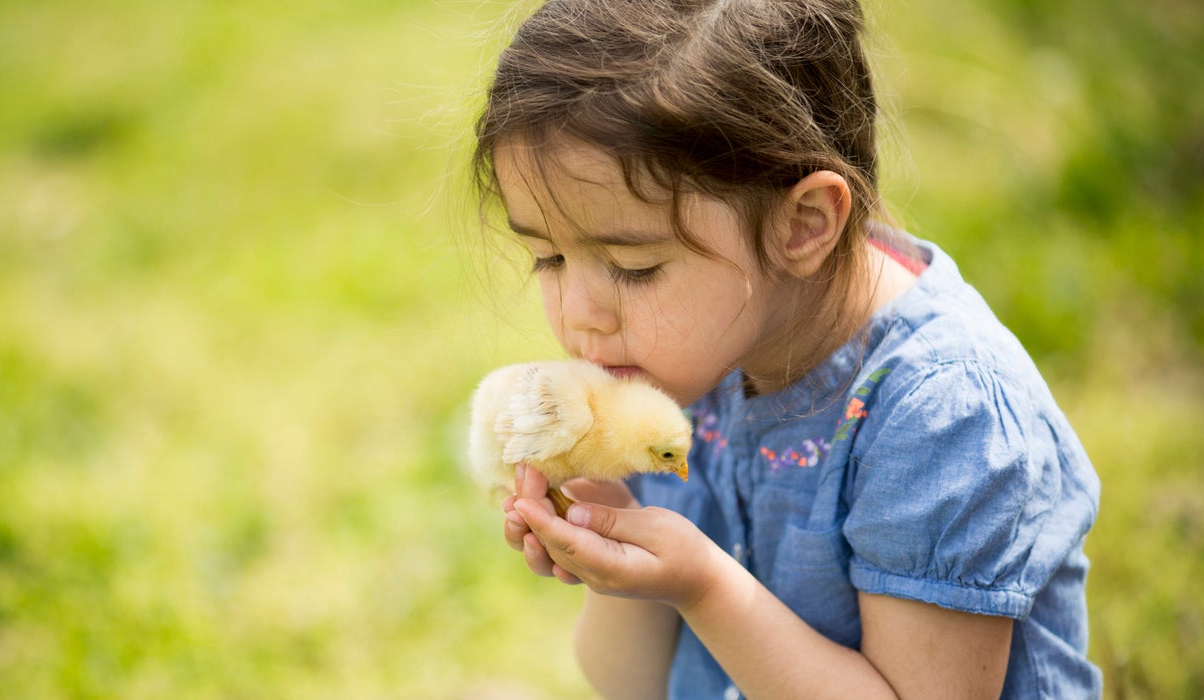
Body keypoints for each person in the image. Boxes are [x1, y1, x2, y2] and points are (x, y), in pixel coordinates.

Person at [470, 1, 1102, 698]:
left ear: (802, 226)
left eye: (635, 268)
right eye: (547, 259)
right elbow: (634, 684)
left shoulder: (943, 413)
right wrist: (617, 552)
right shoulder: (678, 367)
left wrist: (704, 587)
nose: (578, 316)